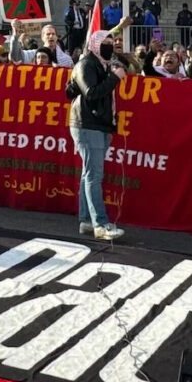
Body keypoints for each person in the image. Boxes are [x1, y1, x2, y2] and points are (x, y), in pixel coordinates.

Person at [67, 27, 123, 241]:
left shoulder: (103, 64)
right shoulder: (86, 64)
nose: (110, 46)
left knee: (87, 174)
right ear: (95, 44)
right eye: (106, 43)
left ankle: (87, 221)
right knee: (94, 175)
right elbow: (91, 93)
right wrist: (115, 79)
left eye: (112, 42)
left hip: (99, 124)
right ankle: (100, 224)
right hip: (87, 124)